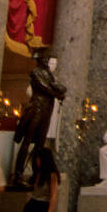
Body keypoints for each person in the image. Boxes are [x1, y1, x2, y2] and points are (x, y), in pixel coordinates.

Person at [11, 53, 66, 185]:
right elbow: (44, 87)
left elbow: (62, 87)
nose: (48, 62)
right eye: (46, 59)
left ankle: (36, 174)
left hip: (46, 111)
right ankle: (18, 174)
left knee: (40, 145)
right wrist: (57, 94)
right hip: (36, 109)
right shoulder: (35, 72)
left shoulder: (50, 75)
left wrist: (57, 90)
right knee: (27, 141)